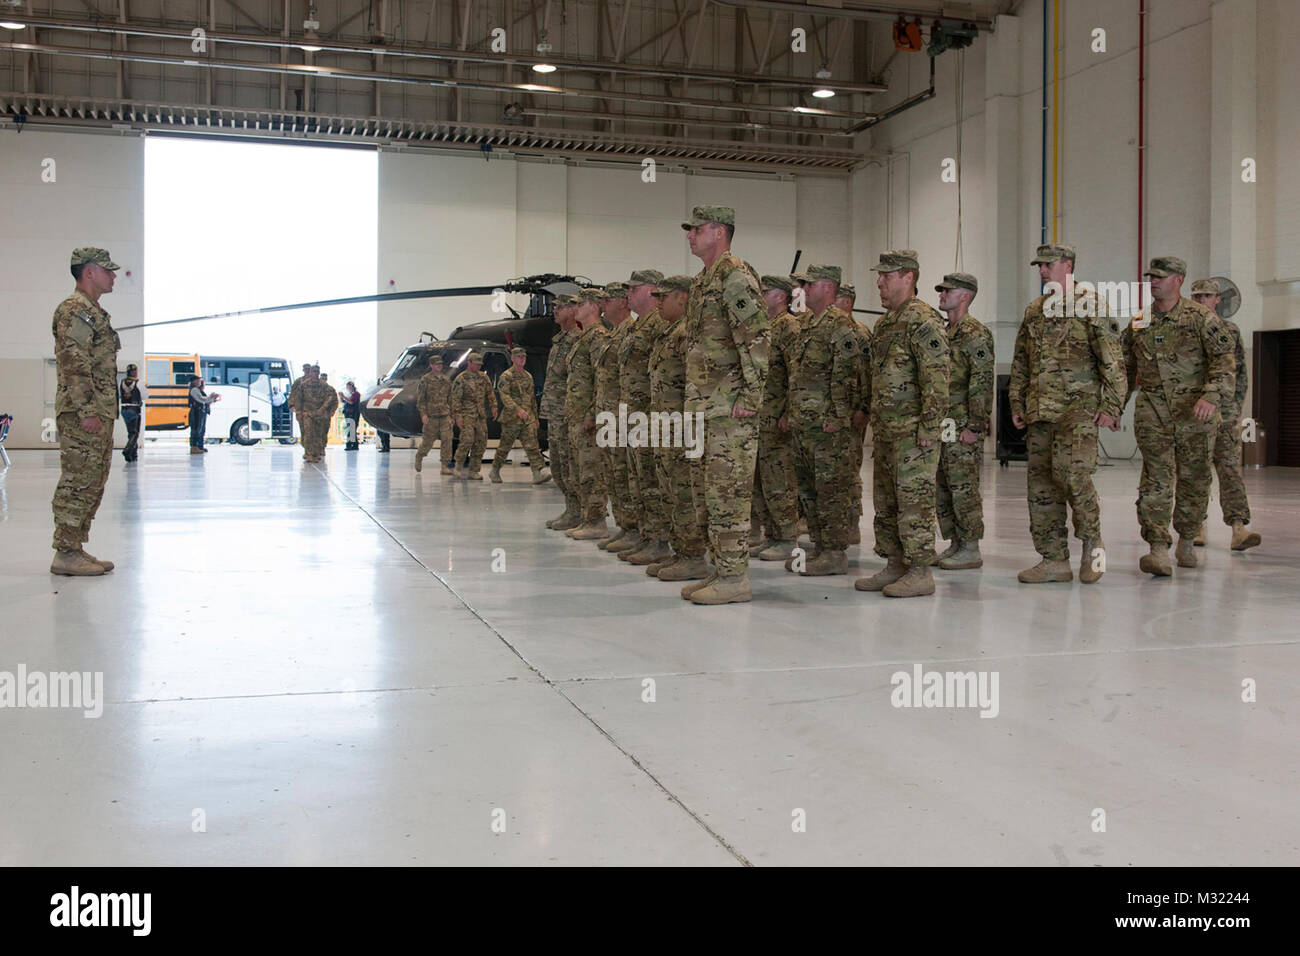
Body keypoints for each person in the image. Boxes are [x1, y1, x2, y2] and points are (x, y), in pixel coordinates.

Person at [1008, 244, 1125, 584]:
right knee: (1041, 486)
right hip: (1040, 412)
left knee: (1073, 477)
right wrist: (1017, 404)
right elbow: (1020, 363)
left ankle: (1094, 547)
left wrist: (1111, 406)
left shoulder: (1091, 306)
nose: (1042, 271)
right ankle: (1053, 559)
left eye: (1048, 265)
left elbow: (1112, 361)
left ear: (1068, 266)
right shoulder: (1035, 310)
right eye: (1039, 266)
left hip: (1079, 410)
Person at [1123, 258, 1237, 575]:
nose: (1154, 281)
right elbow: (1124, 369)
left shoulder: (1201, 319)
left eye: (1161, 276)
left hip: (1195, 414)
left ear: (1179, 280)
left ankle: (1187, 538)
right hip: (1154, 413)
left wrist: (1211, 395)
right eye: (1151, 276)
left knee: (1195, 479)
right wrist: (1114, 406)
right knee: (1155, 480)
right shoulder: (1139, 321)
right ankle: (1157, 548)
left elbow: (1224, 362)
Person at [680, 204, 768, 605]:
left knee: (728, 493)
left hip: (731, 409)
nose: (689, 235)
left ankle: (735, 578)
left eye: (696, 229)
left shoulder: (735, 276)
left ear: (719, 232)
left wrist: (750, 398)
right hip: (706, 408)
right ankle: (721, 568)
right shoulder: (704, 280)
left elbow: (756, 338)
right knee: (709, 494)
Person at [854, 250, 949, 598]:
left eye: (887, 276)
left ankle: (921, 570)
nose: (879, 282)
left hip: (913, 434)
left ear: (908, 277)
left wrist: (929, 426)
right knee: (887, 502)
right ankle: (895, 562)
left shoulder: (923, 320)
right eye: (879, 276)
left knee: (915, 502)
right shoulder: (887, 323)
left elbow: (937, 378)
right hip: (888, 432)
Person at [783, 265, 860, 577]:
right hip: (804, 424)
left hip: (827, 427)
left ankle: (835, 552)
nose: (802, 290)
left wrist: (838, 416)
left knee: (831, 490)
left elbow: (849, 374)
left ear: (828, 287)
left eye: (808, 284)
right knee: (808, 490)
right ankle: (819, 546)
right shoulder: (806, 325)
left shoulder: (839, 325)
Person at [50, 247, 121, 576]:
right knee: (78, 479)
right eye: (108, 270)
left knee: (93, 479)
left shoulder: (93, 311)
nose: (113, 276)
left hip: (98, 410)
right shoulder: (74, 310)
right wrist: (87, 411)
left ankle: (75, 547)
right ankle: (65, 552)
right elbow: (74, 365)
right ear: (89, 272)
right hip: (84, 412)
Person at [1190, 278, 1261, 551]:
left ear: (1217, 299)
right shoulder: (1186, 331)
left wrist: (1233, 409)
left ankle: (1239, 528)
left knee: (1229, 468)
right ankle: (1195, 527)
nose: (1201, 301)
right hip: (1194, 413)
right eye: (1196, 297)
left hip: (1224, 414)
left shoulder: (1229, 331)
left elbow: (1239, 375)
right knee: (1195, 471)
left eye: (1206, 296)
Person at [647, 276, 710, 581]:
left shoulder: (687, 334)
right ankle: (680, 552)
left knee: (684, 493)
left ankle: (694, 555)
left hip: (681, 429)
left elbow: (696, 384)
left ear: (683, 298)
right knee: (670, 492)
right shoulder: (669, 332)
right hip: (665, 427)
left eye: (664, 297)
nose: (657, 302)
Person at [934, 272, 995, 571]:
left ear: (966, 296)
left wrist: (975, 425)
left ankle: (971, 546)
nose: (942, 295)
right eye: (941, 291)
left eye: (948, 291)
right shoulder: (944, 332)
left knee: (963, 487)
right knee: (943, 485)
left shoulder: (975, 333)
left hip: (962, 425)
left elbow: (981, 382)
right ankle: (955, 542)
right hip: (943, 423)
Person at [619, 269, 671, 566]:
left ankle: (659, 541)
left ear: (651, 290)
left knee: (652, 480)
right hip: (634, 415)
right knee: (639, 479)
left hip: (650, 417)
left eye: (634, 289)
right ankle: (647, 535)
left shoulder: (658, 325)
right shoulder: (641, 325)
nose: (629, 294)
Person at [750, 275, 801, 562]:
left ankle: (787, 536)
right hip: (759, 416)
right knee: (761, 481)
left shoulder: (789, 328)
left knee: (779, 480)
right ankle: (771, 534)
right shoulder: (763, 327)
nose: (760, 295)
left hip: (777, 417)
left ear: (781, 296)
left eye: (765, 291)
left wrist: (788, 412)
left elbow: (797, 374)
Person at [563, 289, 612, 538]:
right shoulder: (584, 337)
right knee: (580, 471)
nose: (576, 308)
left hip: (588, 417)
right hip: (576, 414)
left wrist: (592, 413)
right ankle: (585, 518)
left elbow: (602, 378)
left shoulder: (598, 337)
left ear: (594, 307)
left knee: (592, 470)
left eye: (580, 303)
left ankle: (596, 522)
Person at [542, 294, 582, 528]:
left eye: (560, 307)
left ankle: (580, 512)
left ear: (573, 309)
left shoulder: (576, 340)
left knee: (570, 467)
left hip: (567, 412)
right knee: (558, 467)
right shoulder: (560, 340)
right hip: (554, 412)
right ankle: (571, 509)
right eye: (554, 307)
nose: (555, 310)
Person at [491, 347, 552, 484]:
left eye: (523, 357)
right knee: (505, 447)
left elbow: (531, 398)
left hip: (527, 418)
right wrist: (517, 410)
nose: (522, 359)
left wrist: (535, 417)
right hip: (511, 418)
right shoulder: (506, 376)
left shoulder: (528, 376)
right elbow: (504, 396)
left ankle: (538, 473)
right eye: (519, 357)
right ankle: (494, 470)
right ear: (512, 358)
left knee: (532, 446)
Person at [451, 352, 498, 479]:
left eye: (479, 365)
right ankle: (458, 466)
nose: (478, 367)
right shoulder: (461, 379)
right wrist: (458, 416)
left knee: (481, 442)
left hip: (480, 415)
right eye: (476, 364)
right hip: (467, 415)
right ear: (469, 363)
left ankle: (474, 471)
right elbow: (455, 399)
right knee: (467, 440)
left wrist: (494, 406)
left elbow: (490, 393)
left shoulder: (483, 377)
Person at [414, 356, 454, 474]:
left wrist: (451, 415)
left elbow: (450, 399)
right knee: (428, 442)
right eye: (436, 364)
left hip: (445, 415)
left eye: (440, 364)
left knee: (447, 440)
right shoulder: (425, 380)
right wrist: (423, 414)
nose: (439, 366)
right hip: (431, 417)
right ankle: (419, 456)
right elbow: (421, 400)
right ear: (431, 365)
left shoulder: (446, 380)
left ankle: (444, 466)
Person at [298, 364, 338, 463]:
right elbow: (299, 400)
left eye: (317, 372)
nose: (315, 374)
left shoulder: (324, 386)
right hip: (307, 413)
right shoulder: (304, 385)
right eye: (314, 371)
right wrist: (299, 413)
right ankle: (308, 454)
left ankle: (316, 454)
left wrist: (324, 408)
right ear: (310, 372)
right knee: (308, 434)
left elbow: (331, 398)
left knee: (317, 435)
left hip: (320, 414)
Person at [188, 374, 221, 453]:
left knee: (199, 429)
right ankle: (194, 447)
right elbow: (201, 399)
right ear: (194, 382)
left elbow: (204, 400)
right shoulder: (194, 390)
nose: (200, 382)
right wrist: (211, 397)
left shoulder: (197, 390)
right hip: (196, 412)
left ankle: (197, 447)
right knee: (196, 429)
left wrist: (212, 399)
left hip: (199, 411)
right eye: (198, 380)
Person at [119, 363, 144, 463]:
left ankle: (133, 454)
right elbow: (145, 395)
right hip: (134, 409)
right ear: (134, 372)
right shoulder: (139, 382)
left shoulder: (122, 382)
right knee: (135, 432)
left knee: (130, 432)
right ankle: (128, 449)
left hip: (124, 409)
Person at [340, 380, 362, 450]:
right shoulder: (350, 395)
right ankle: (354, 444)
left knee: (351, 429)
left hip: (354, 414)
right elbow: (344, 401)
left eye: (350, 386)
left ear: (353, 387)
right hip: (348, 413)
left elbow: (351, 402)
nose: (349, 388)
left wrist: (343, 396)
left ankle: (350, 444)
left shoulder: (356, 394)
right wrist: (342, 397)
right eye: (347, 387)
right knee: (350, 429)